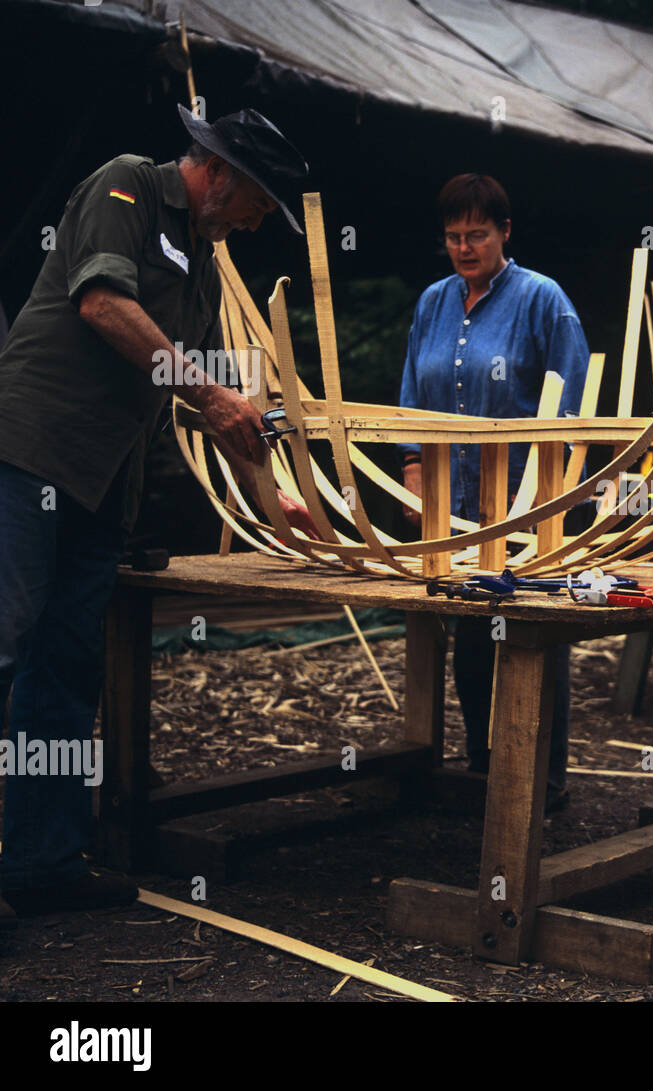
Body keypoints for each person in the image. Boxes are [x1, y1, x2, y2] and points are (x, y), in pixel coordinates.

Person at [0, 106, 315, 922]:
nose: (254, 222)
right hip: (29, 451)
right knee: (6, 639)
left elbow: (208, 409)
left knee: (65, 673)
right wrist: (211, 393)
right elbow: (102, 304)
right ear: (221, 174)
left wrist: (274, 501)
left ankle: (41, 859)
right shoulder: (127, 185)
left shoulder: (205, 272)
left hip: (104, 486)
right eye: (257, 204)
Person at [397, 174, 589, 813]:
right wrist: (413, 470)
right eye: (453, 237)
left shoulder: (543, 299)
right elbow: (412, 395)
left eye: (477, 234)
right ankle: (485, 768)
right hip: (449, 496)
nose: (464, 247)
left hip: (524, 498)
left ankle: (542, 782)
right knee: (471, 631)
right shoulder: (433, 301)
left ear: (505, 232)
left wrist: (547, 489)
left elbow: (573, 401)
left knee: (530, 625)